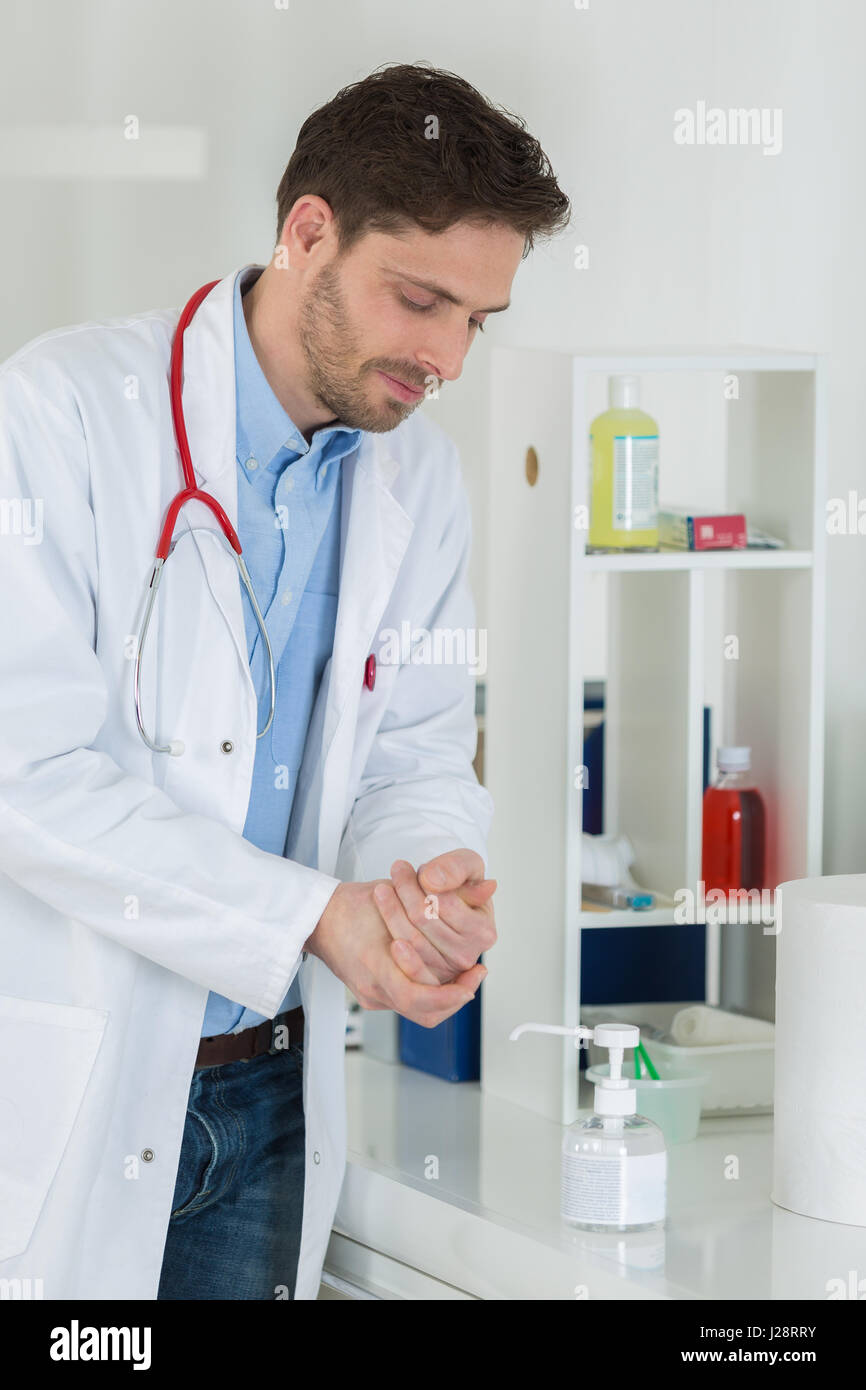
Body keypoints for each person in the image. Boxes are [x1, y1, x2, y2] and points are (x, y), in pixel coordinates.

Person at [0, 61, 571, 1300]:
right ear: (307, 232)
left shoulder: (412, 479)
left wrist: (426, 879)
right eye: (419, 299)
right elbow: (24, 779)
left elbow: (414, 751)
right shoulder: (61, 413)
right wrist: (314, 918)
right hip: (84, 1081)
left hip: (273, 1093)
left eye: (476, 319)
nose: (447, 359)